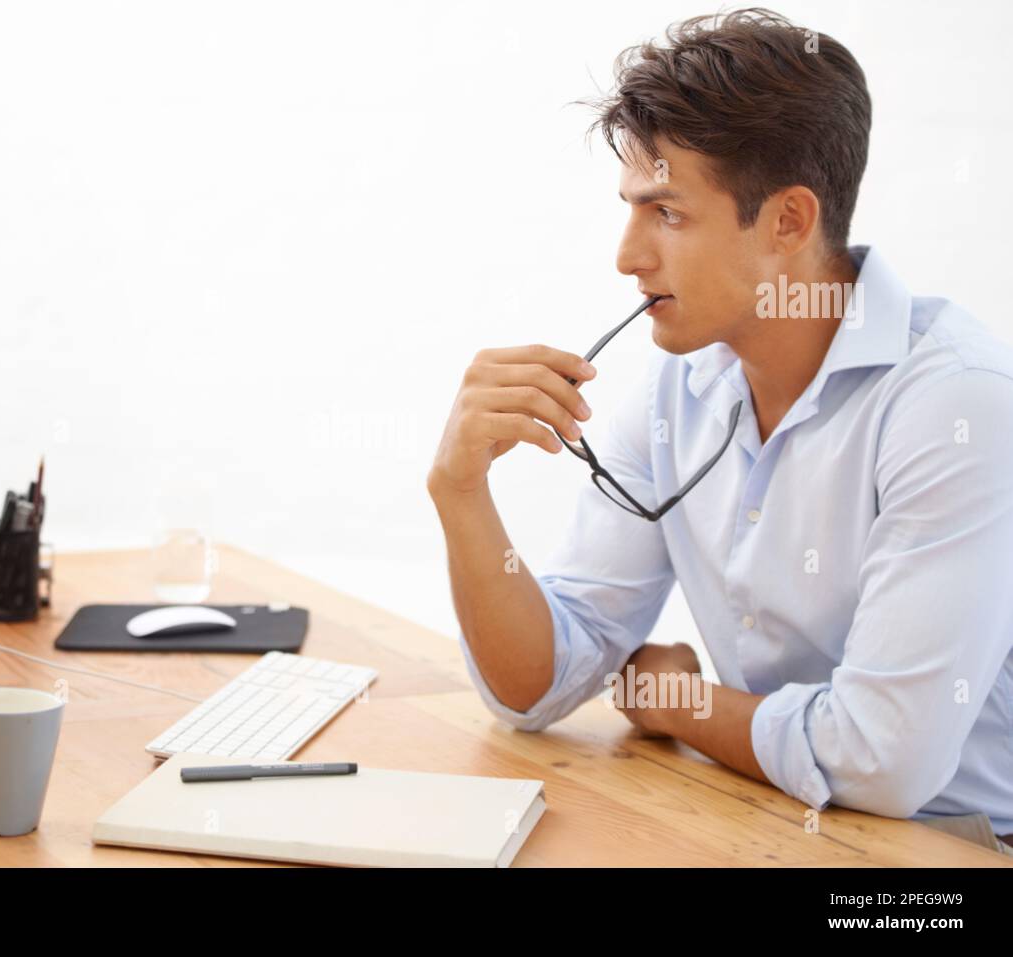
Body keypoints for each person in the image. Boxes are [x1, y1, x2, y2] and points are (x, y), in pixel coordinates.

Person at [427, 8, 1013, 854]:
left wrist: (681, 705)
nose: (628, 255)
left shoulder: (958, 408)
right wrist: (460, 491)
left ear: (788, 222)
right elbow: (540, 684)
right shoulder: (682, 386)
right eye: (631, 210)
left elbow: (885, 761)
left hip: (957, 853)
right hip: (785, 825)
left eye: (666, 213)